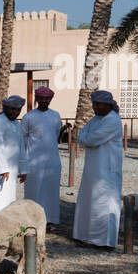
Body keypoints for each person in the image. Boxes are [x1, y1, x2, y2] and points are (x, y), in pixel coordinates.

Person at [73, 90, 124, 248]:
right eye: (94, 104)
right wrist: (84, 138)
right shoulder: (96, 119)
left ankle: (102, 241)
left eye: (99, 104)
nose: (95, 107)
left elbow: (91, 139)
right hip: (92, 169)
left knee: (103, 203)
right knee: (89, 201)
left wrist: (85, 138)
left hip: (106, 170)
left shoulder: (113, 121)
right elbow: (81, 136)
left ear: (108, 105)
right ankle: (87, 236)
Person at [21, 87, 61, 228]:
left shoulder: (56, 115)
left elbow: (55, 134)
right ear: (37, 99)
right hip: (33, 161)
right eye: (41, 98)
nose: (44, 101)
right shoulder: (29, 117)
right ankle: (32, 221)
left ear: (51, 99)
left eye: (47, 98)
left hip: (52, 160)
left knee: (51, 191)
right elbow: (23, 138)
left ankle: (50, 221)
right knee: (34, 190)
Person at [0, 95, 28, 212]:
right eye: (12, 109)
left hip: (12, 171)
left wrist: (23, 169)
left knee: (8, 199)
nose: (15, 112)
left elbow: (21, 147)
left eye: (18, 110)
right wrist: (3, 168)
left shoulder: (17, 124)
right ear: (5, 107)